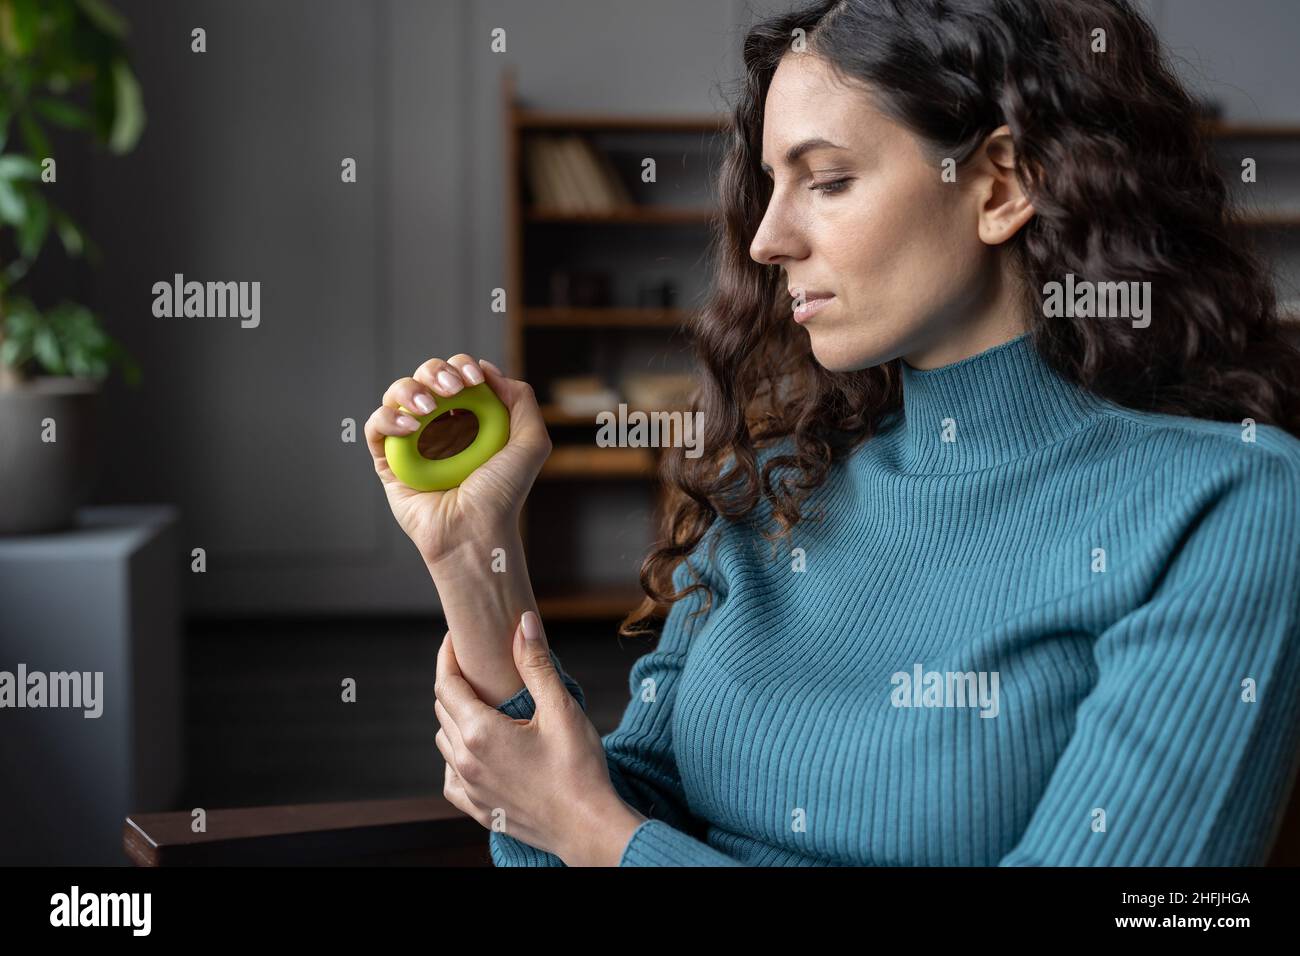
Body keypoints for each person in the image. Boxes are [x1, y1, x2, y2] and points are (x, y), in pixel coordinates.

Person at [365, 0, 1300, 866]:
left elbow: (592, 829)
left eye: (829, 180)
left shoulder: (1232, 505)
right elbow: (574, 820)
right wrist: (475, 557)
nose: (768, 238)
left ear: (1000, 188)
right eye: (772, 185)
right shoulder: (775, 483)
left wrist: (603, 837)